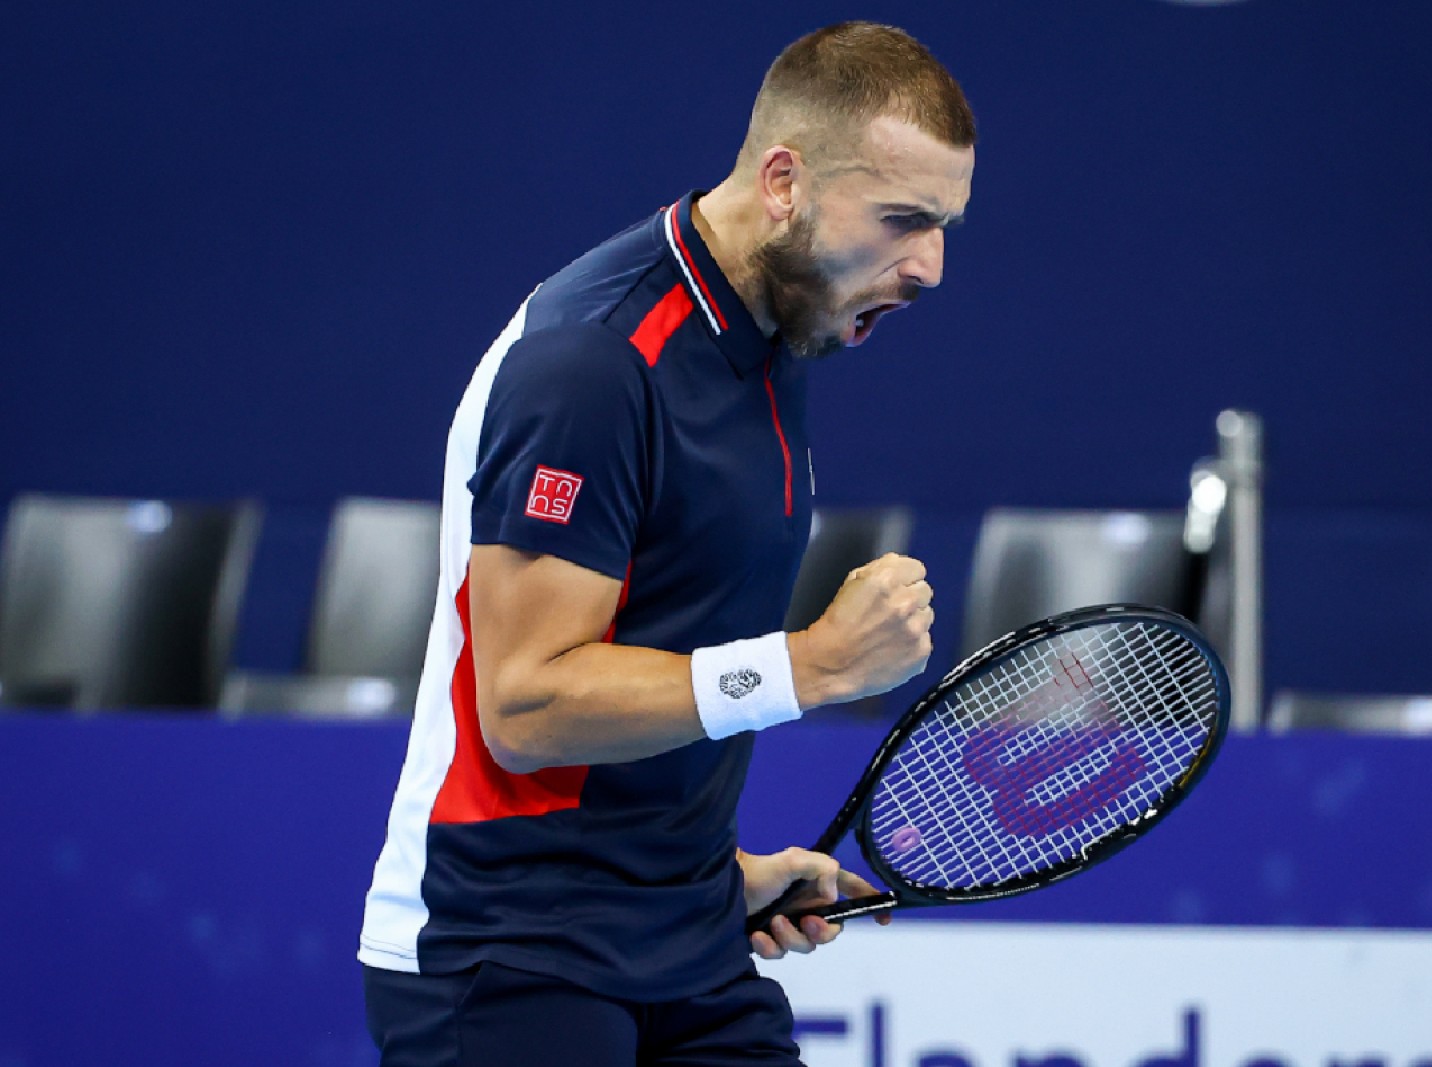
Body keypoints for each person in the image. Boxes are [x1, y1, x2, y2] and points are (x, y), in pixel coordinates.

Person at [359, 20, 976, 1066]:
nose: (929, 266)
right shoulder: (593, 363)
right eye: (901, 219)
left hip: (685, 938)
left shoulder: (778, 333)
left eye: (945, 223)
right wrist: (806, 666)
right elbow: (525, 704)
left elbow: (658, 647)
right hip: (510, 951)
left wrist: (718, 872)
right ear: (784, 182)